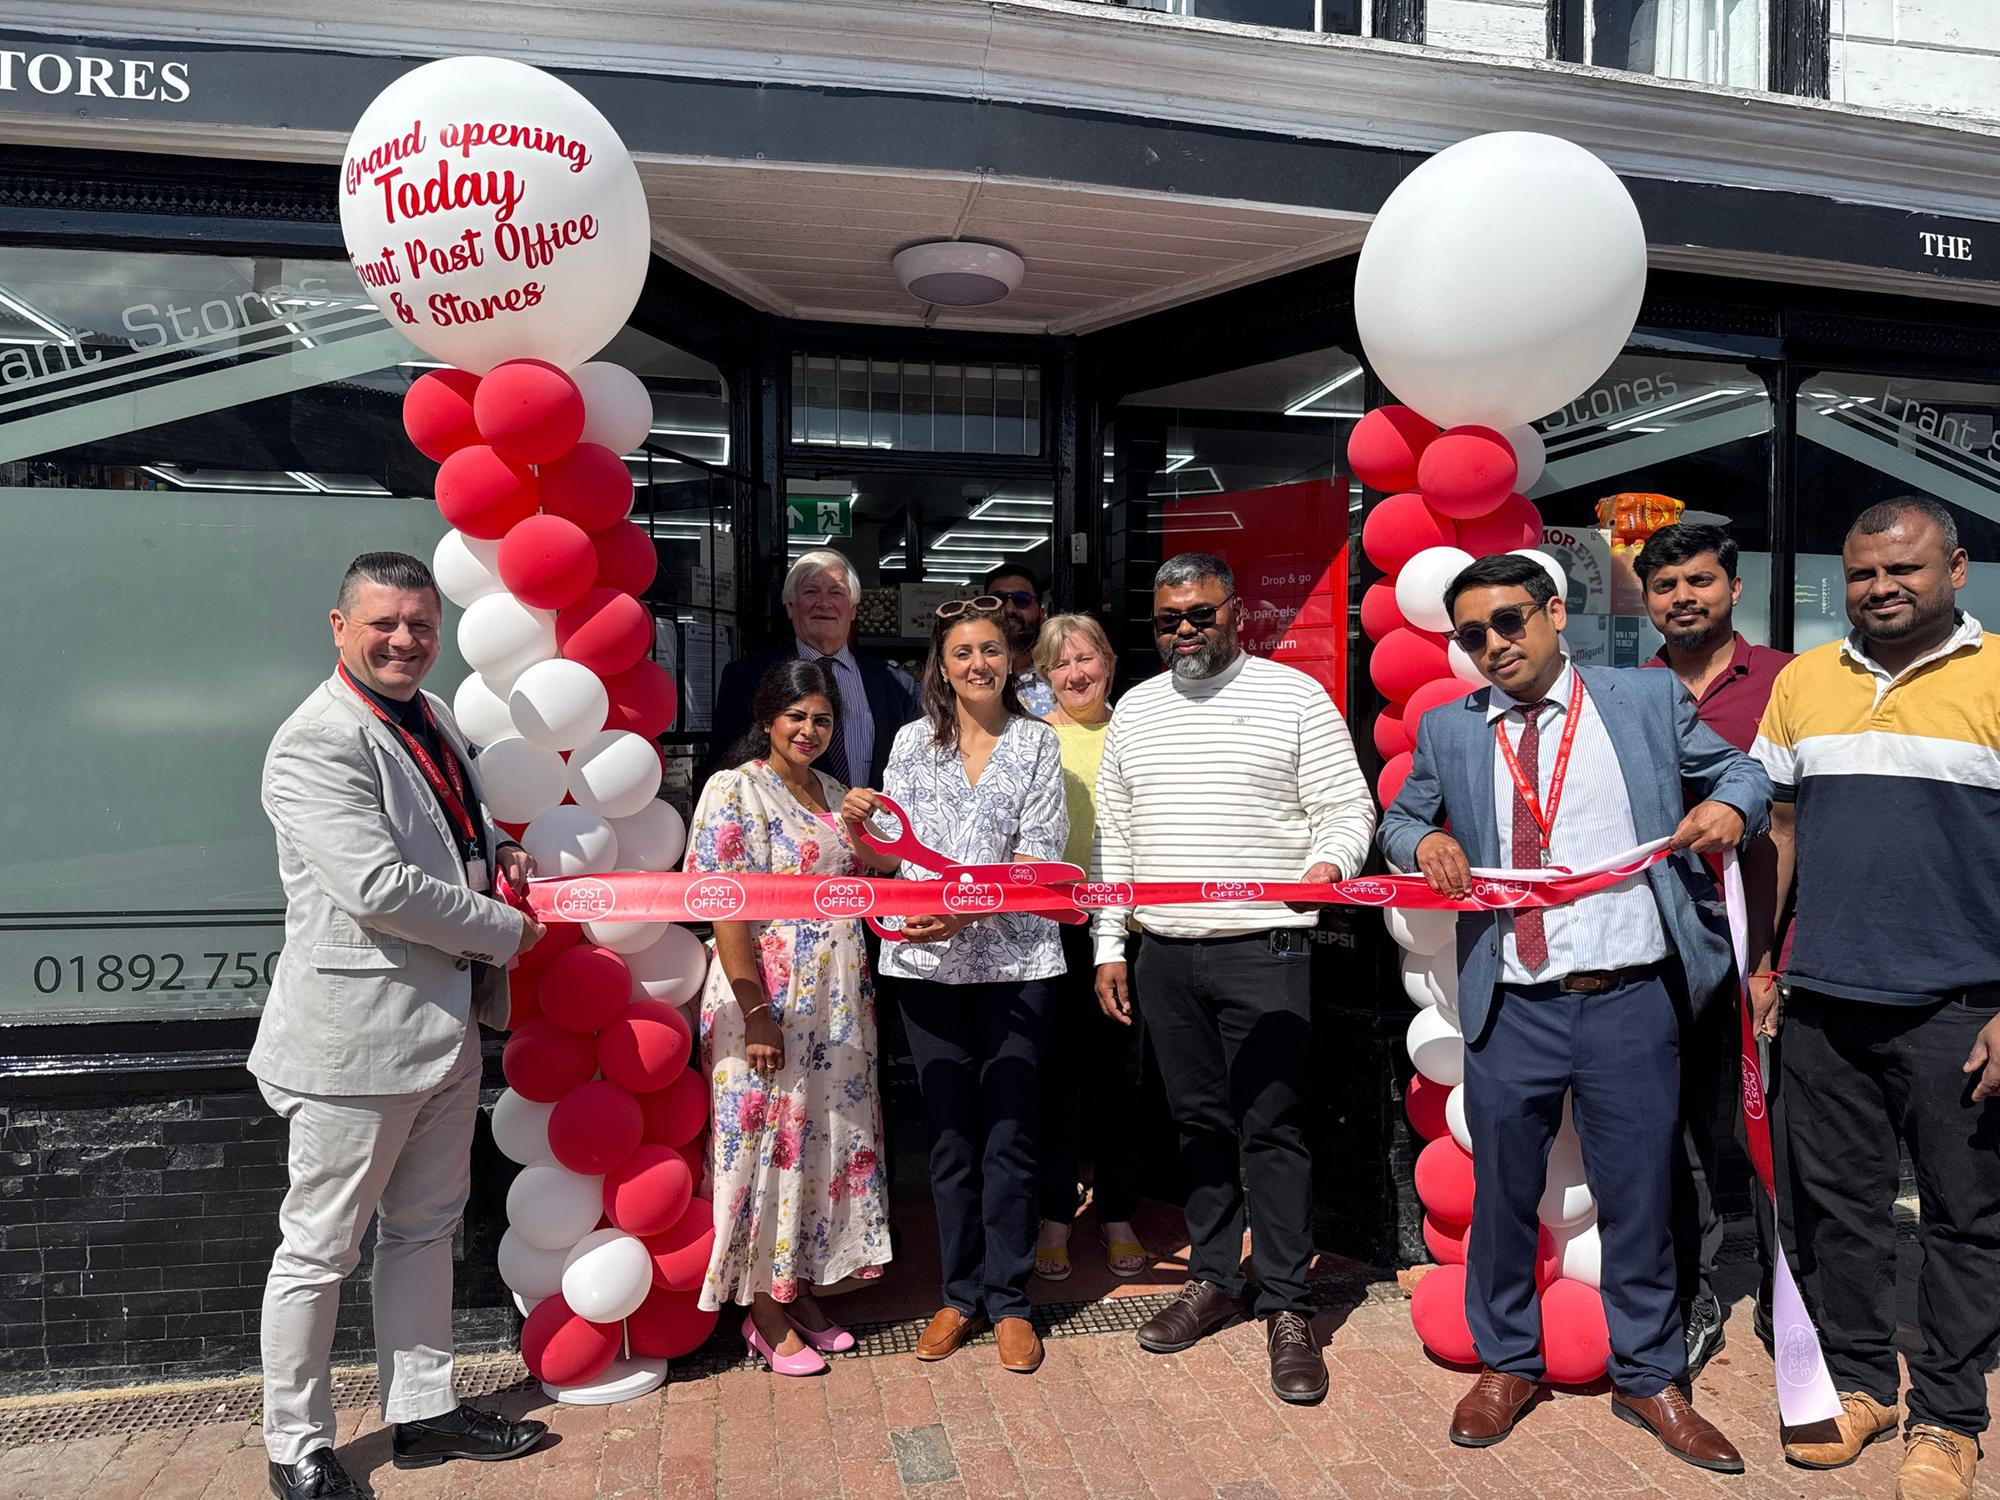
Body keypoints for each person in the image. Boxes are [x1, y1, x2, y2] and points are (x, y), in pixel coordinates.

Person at [1379, 552, 1769, 1473]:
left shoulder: (1641, 702)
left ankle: (1649, 1374)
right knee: (1504, 1194)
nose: (1493, 646)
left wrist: (1730, 812)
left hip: (1630, 999)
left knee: (1641, 1195)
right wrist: (1426, 834)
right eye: (1471, 635)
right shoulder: (1449, 728)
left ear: (1556, 613)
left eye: (1510, 622)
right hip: (1512, 1002)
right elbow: (1396, 824)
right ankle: (1507, 1363)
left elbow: (1742, 776)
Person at [252, 553, 548, 1500]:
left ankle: (420, 1413)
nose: (404, 640)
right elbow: (376, 887)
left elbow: (463, 829)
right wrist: (508, 928)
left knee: (422, 1230)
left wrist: (503, 854)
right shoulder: (316, 742)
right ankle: (296, 1445)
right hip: (354, 1043)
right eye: (383, 623)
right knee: (319, 1249)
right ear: (339, 627)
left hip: (443, 1028)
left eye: (419, 624)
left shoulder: (435, 716)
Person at [1753, 496, 2000, 1500]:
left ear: (1955, 570)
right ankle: (1860, 1384)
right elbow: (1778, 833)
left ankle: (1947, 1417)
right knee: (1838, 1211)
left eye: (1902, 569)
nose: (1879, 588)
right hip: (1822, 998)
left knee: (1964, 1219)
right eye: (1860, 573)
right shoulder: (1804, 682)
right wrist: (1765, 965)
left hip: (1962, 1006)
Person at [1092, 553, 1375, 1405]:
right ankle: (1215, 1276)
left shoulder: (1293, 698)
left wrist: (1328, 866)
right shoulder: (1136, 710)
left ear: (1237, 612)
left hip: (1267, 947)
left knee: (1273, 1128)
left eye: (1199, 614)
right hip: (1166, 952)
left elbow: (1347, 805)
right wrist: (1111, 941)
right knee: (1199, 1126)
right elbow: (1115, 836)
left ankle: (1287, 1302)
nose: (1183, 630)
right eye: (1167, 618)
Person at [868, 596, 1068, 1374]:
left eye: (991, 650)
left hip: (1017, 963)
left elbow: (1040, 856)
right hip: (925, 967)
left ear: (1012, 661)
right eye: (962, 653)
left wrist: (963, 915)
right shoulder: (911, 744)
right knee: (950, 1138)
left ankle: (1012, 1301)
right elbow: (891, 854)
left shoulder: (1037, 745)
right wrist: (864, 824)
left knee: (1012, 1135)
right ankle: (959, 1295)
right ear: (941, 667)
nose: (978, 664)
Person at [686, 658, 894, 1377]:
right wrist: (756, 1010)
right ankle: (761, 1313)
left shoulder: (838, 794)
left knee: (816, 1150)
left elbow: (877, 878)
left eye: (822, 719)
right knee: (760, 1150)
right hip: (766, 1000)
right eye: (796, 716)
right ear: (768, 717)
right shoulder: (734, 789)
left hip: (835, 1005)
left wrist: (875, 834)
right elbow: (725, 903)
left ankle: (795, 1285)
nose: (809, 730)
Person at [1633, 521, 1794, 1375]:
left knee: (1784, 1136)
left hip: (1777, 951)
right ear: (1647, 601)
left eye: (1699, 581)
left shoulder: (1786, 682)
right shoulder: (1627, 692)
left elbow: (1806, 820)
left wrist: (1774, 957)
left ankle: (1789, 1305)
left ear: (1734, 588)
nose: (1683, 597)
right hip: (1673, 957)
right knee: (1688, 1134)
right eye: (1665, 586)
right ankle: (1697, 1298)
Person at [1028, 614, 1148, 1283]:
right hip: (1051, 932)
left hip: (1125, 932)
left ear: (1108, 660)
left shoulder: (1140, 730)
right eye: (1060, 664)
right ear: (1045, 675)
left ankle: (1118, 1215)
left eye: (1086, 659)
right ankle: (1054, 1217)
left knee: (1117, 1081)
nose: (1076, 674)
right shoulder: (1032, 738)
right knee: (1053, 1083)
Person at [711, 549, 920, 788]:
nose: (824, 603)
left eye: (836, 592)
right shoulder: (746, 678)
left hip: (872, 824)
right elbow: (726, 769)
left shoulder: (894, 684)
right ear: (790, 606)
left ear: (853, 609)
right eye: (811, 592)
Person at [984, 559, 1056, 716]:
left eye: (1022, 599)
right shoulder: (965, 679)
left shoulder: (1064, 678)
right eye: (998, 600)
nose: (1010, 608)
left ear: (1042, 614)